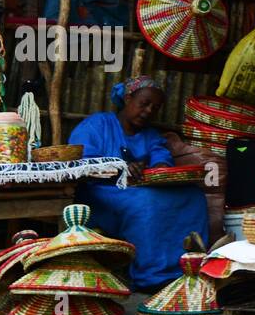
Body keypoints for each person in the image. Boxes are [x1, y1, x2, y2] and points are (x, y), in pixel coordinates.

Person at [69, 76, 210, 291]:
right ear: (128, 98)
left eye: (155, 108)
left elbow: (160, 156)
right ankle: (152, 276)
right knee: (146, 202)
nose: (148, 111)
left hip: (141, 191)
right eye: (144, 104)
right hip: (101, 193)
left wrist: (160, 167)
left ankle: (189, 265)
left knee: (193, 196)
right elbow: (81, 161)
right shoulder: (97, 124)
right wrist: (119, 168)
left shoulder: (151, 135)